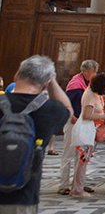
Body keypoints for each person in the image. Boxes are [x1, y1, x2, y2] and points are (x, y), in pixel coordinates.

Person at [0, 56, 71, 212]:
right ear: (46, 84)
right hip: (23, 198)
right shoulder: (50, 110)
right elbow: (68, 109)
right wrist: (53, 82)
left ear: (16, 75)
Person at [57, 58, 98, 195]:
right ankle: (63, 185)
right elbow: (66, 102)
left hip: (83, 122)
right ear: (86, 71)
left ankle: (78, 183)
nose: (95, 74)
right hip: (72, 121)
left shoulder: (88, 84)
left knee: (81, 154)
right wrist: (71, 116)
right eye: (93, 71)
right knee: (68, 152)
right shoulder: (75, 83)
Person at [68, 73, 105, 197]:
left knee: (83, 161)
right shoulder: (90, 96)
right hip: (85, 130)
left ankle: (77, 187)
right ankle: (77, 190)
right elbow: (87, 115)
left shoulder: (93, 93)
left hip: (90, 130)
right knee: (82, 161)